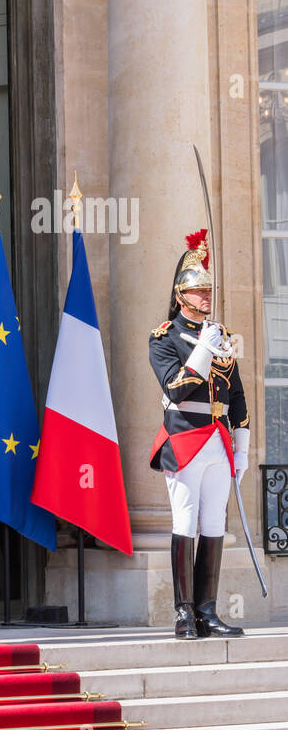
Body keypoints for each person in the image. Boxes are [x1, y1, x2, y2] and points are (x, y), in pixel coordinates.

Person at [149, 230, 249, 639]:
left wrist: (241, 448)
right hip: (185, 437)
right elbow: (176, 387)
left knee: (213, 524)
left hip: (217, 439)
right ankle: (183, 612)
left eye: (208, 289)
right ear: (180, 296)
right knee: (185, 520)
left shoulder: (221, 335)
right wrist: (203, 349)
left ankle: (208, 609)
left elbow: (237, 394)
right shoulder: (165, 337)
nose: (206, 296)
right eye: (197, 291)